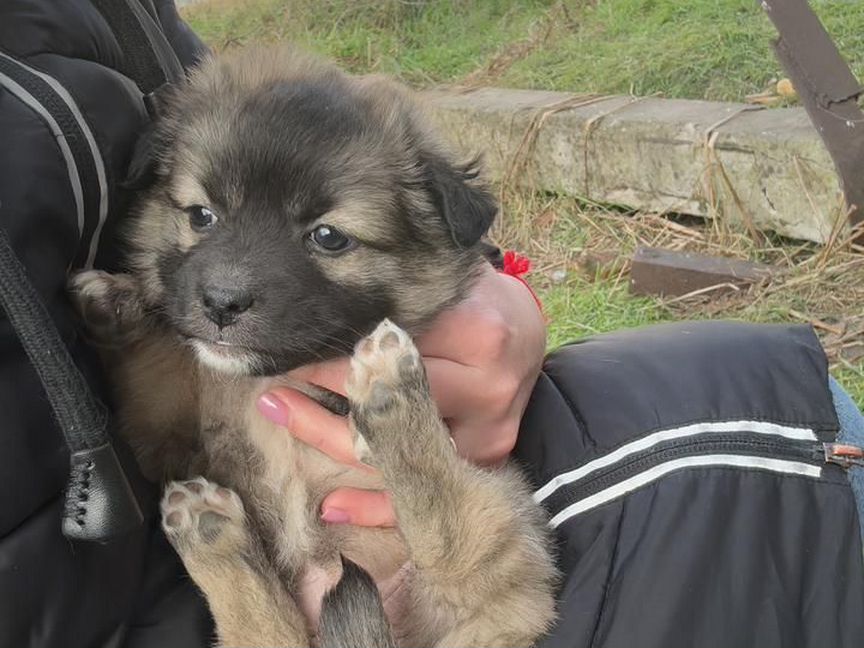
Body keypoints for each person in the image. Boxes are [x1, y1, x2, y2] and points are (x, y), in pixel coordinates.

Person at [2, 2, 863, 648]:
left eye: (328, 237)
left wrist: (496, 288)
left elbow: (319, 154)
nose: (224, 281)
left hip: (412, 543)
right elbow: (164, 432)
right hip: (182, 588)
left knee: (771, 391)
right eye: (200, 218)